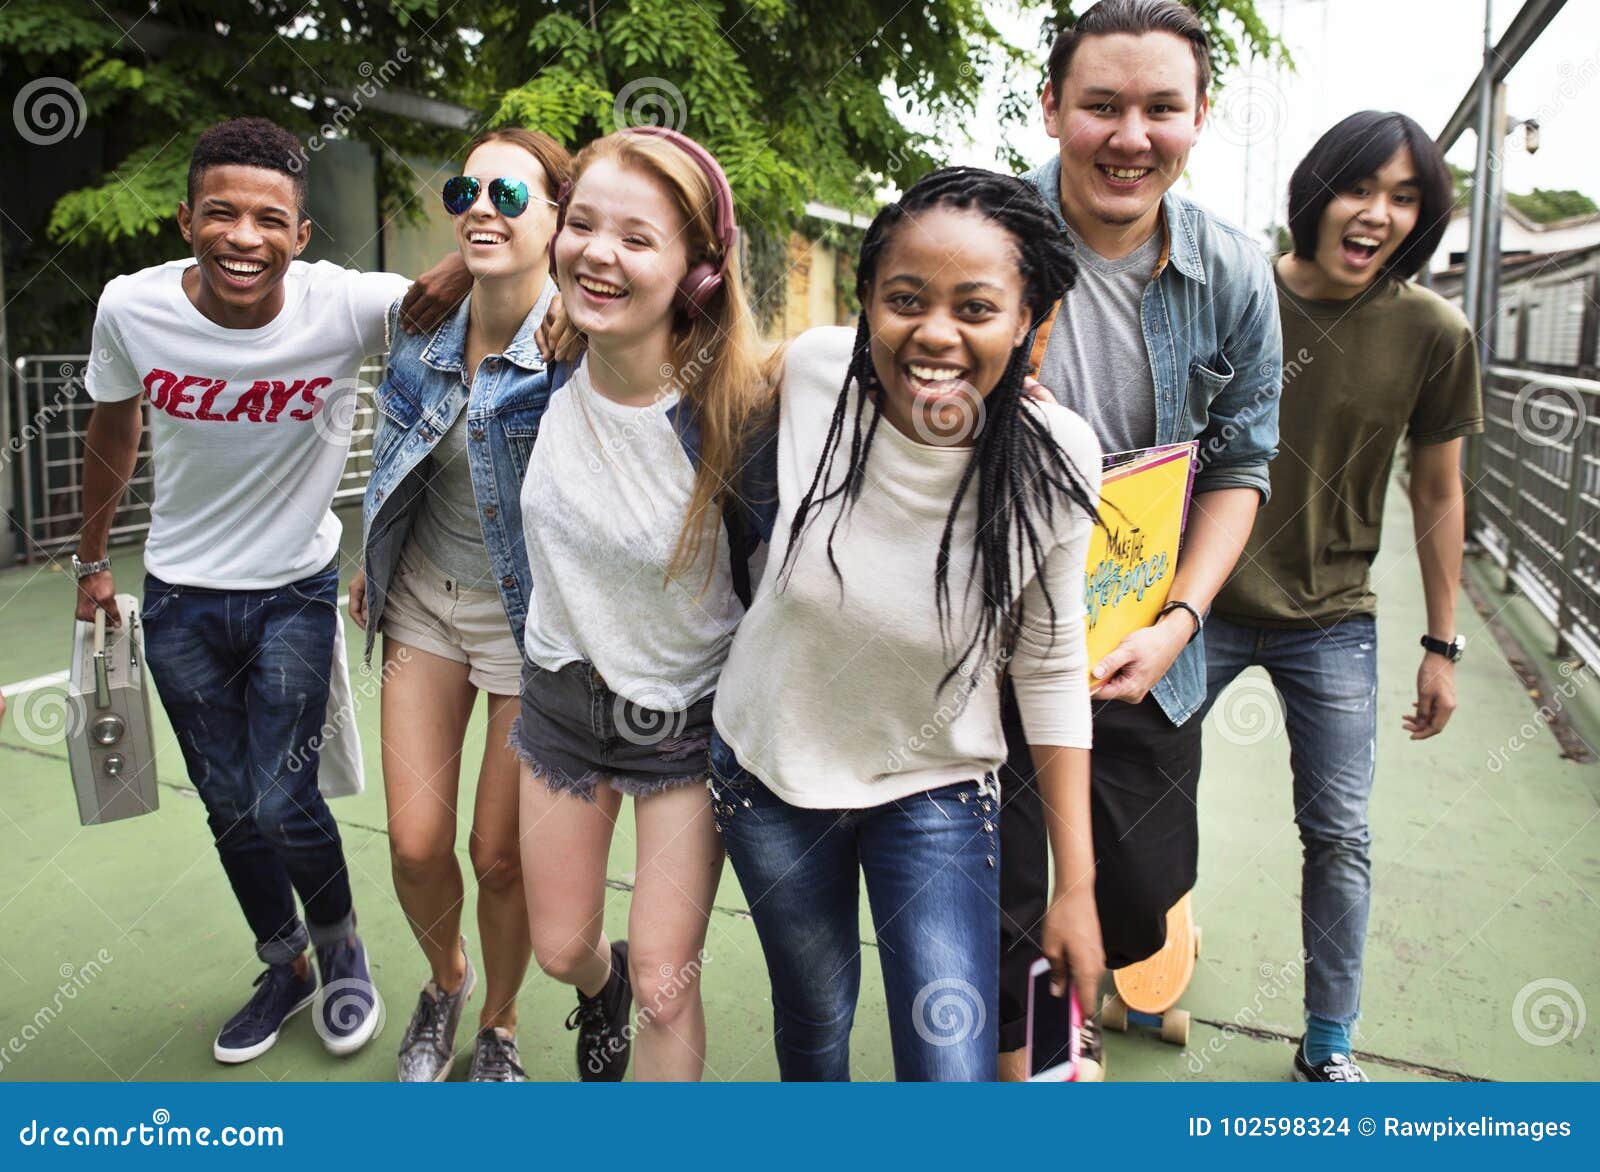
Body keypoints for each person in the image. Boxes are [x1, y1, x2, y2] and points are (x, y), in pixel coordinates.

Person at [74, 116, 467, 1065]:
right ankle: (283, 965)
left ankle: (343, 956)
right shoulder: (131, 309)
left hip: (294, 590)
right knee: (224, 800)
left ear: (299, 234)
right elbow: (114, 434)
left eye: (267, 219)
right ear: (185, 221)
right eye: (220, 213)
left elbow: (457, 295)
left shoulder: (345, 305)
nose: (242, 236)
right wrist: (92, 560)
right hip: (175, 597)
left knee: (281, 797)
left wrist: (501, 223)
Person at [711, 167, 1104, 1082]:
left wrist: (1076, 887)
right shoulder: (815, 374)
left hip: (933, 782)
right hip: (771, 771)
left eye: (975, 308)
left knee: (951, 1065)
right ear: (867, 309)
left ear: (1027, 324)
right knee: (814, 1021)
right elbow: (671, 351)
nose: (934, 332)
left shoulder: (1058, 461)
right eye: (904, 299)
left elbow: (1048, 667)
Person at [997, 0, 1283, 1081]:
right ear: (1052, 108)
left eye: (1160, 108)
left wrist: (1178, 619)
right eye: (1101, 106)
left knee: (1133, 893)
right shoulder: (980, 229)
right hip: (988, 635)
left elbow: (1241, 466)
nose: (1130, 135)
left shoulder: (1233, 274)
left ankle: (1088, 980)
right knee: (1002, 891)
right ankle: (1035, 1055)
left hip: (1141, 650)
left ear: (1197, 115)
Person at [1201, 111, 1479, 1083]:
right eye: (1362, 188)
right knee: (1124, 801)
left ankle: (1327, 1040)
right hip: (1198, 601)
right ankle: (1099, 989)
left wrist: (1441, 645)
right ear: (1319, 191)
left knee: (1338, 831)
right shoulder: (1235, 294)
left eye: (1406, 199)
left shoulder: (1433, 332)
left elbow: (1438, 489)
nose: (1378, 214)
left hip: (1331, 618)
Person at [512, 126, 767, 1082]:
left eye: (637, 237)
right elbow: (479, 243)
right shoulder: (534, 368)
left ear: (700, 272)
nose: (597, 253)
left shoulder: (741, 412)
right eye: (582, 225)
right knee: (562, 951)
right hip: (562, 703)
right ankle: (599, 989)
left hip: (686, 723)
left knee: (666, 982)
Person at [348, 127, 573, 1082]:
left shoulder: (580, 342)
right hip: (423, 606)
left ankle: (504, 1024)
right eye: (466, 191)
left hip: (532, 626)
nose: (483, 207)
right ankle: (446, 980)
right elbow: (394, 458)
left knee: (499, 857)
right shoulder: (420, 327)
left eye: (511, 196)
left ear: (560, 219)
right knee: (413, 842)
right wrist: (375, 552)